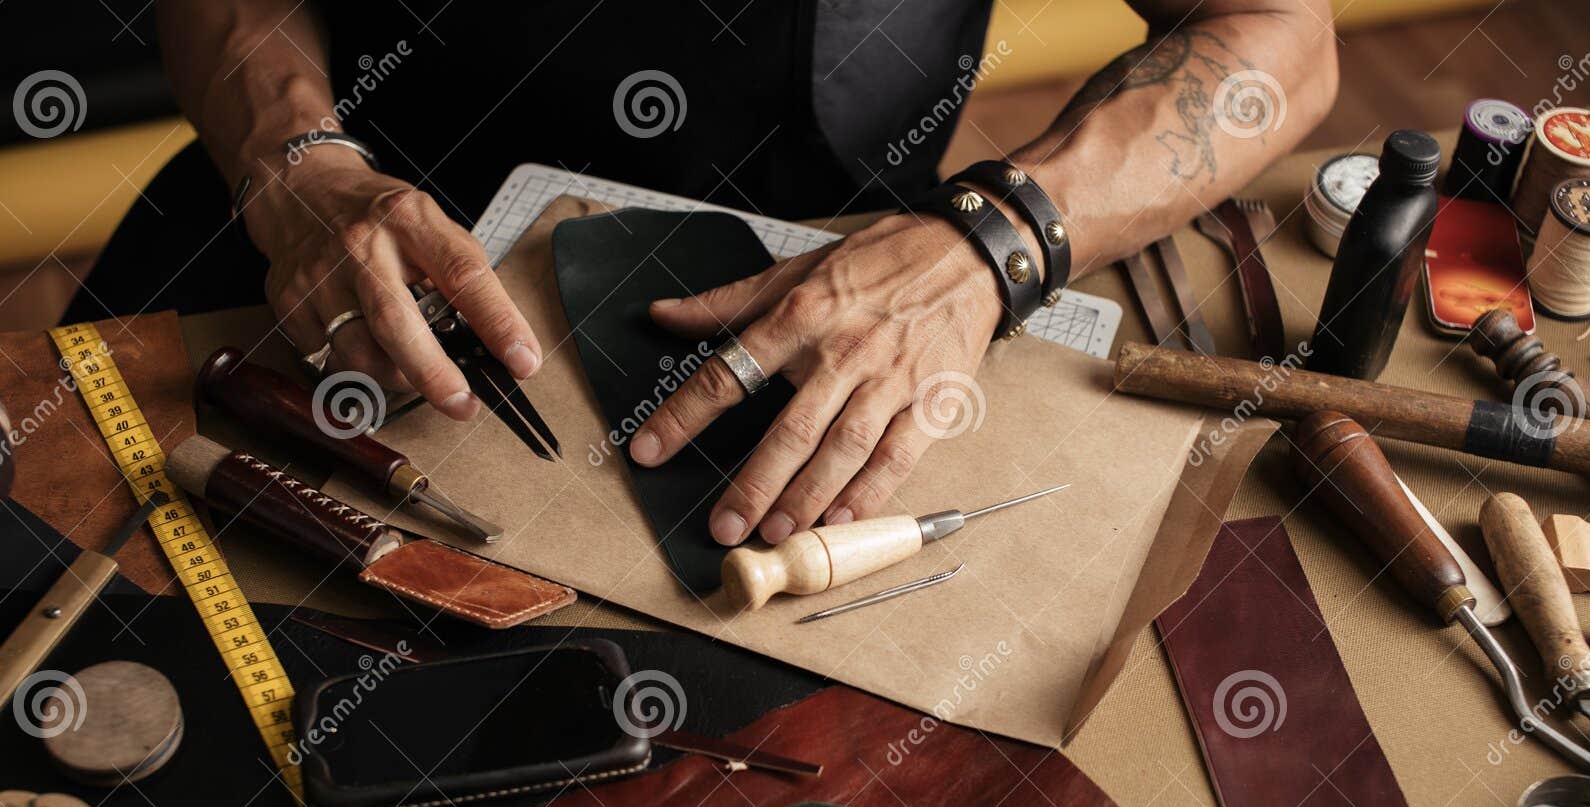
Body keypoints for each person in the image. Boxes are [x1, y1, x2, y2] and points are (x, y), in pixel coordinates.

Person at [103, 0, 1335, 547]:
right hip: (342, 234)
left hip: (834, 286)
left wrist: (991, 243)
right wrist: (293, 162)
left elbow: (1277, 33)